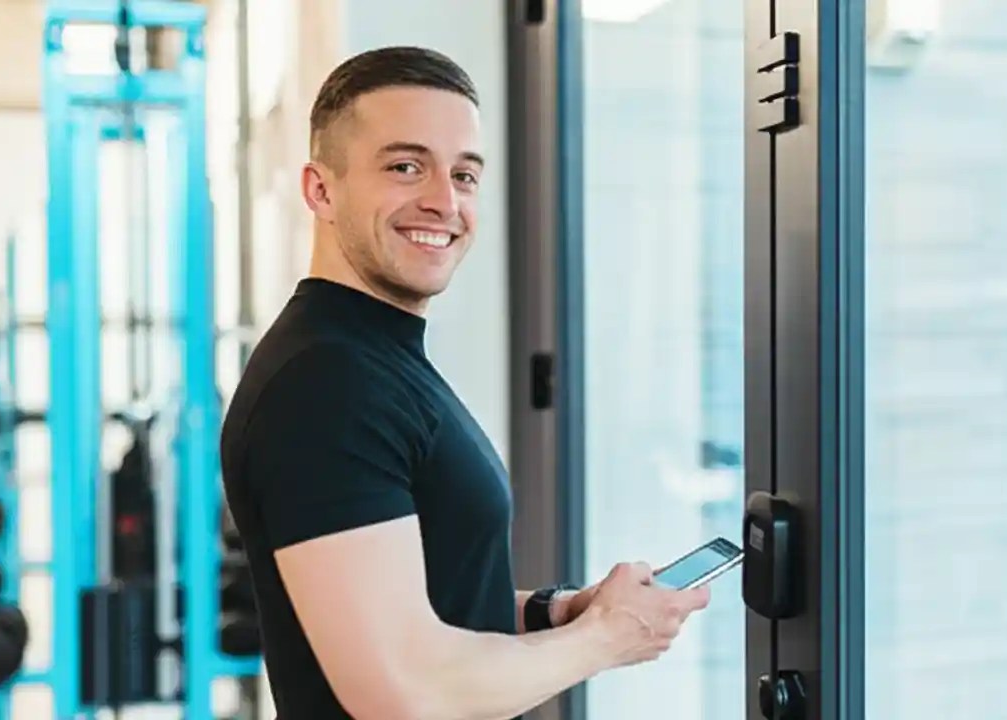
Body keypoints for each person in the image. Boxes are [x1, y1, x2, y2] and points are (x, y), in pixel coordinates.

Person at [220, 45, 711, 720]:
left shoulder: (373, 359)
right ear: (321, 190)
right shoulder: (325, 385)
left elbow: (416, 605)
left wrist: (557, 612)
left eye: (464, 175)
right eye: (405, 166)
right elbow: (403, 692)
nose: (443, 202)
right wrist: (607, 637)